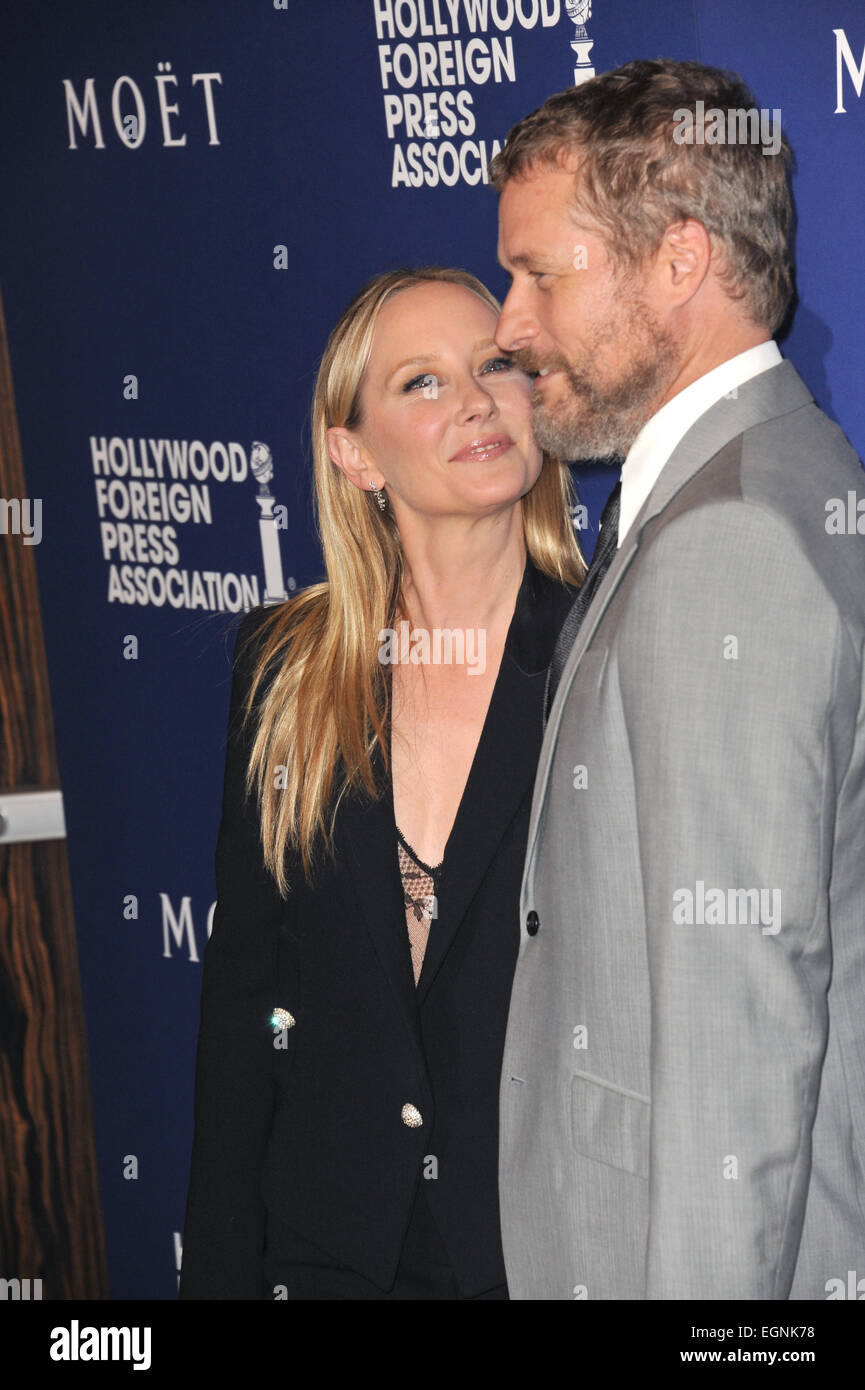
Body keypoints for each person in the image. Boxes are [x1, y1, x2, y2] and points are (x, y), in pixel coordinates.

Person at [493, 58, 865, 1299]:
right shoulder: (796, 473)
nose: (510, 322)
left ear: (678, 261)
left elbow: (734, 1053)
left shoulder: (727, 545)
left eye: (542, 272)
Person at [178, 265, 585, 1299]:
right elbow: (247, 1008)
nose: (476, 399)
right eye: (421, 382)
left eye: (495, 364)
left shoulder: (604, 648)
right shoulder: (286, 666)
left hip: (544, 1255)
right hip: (327, 1254)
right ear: (353, 454)